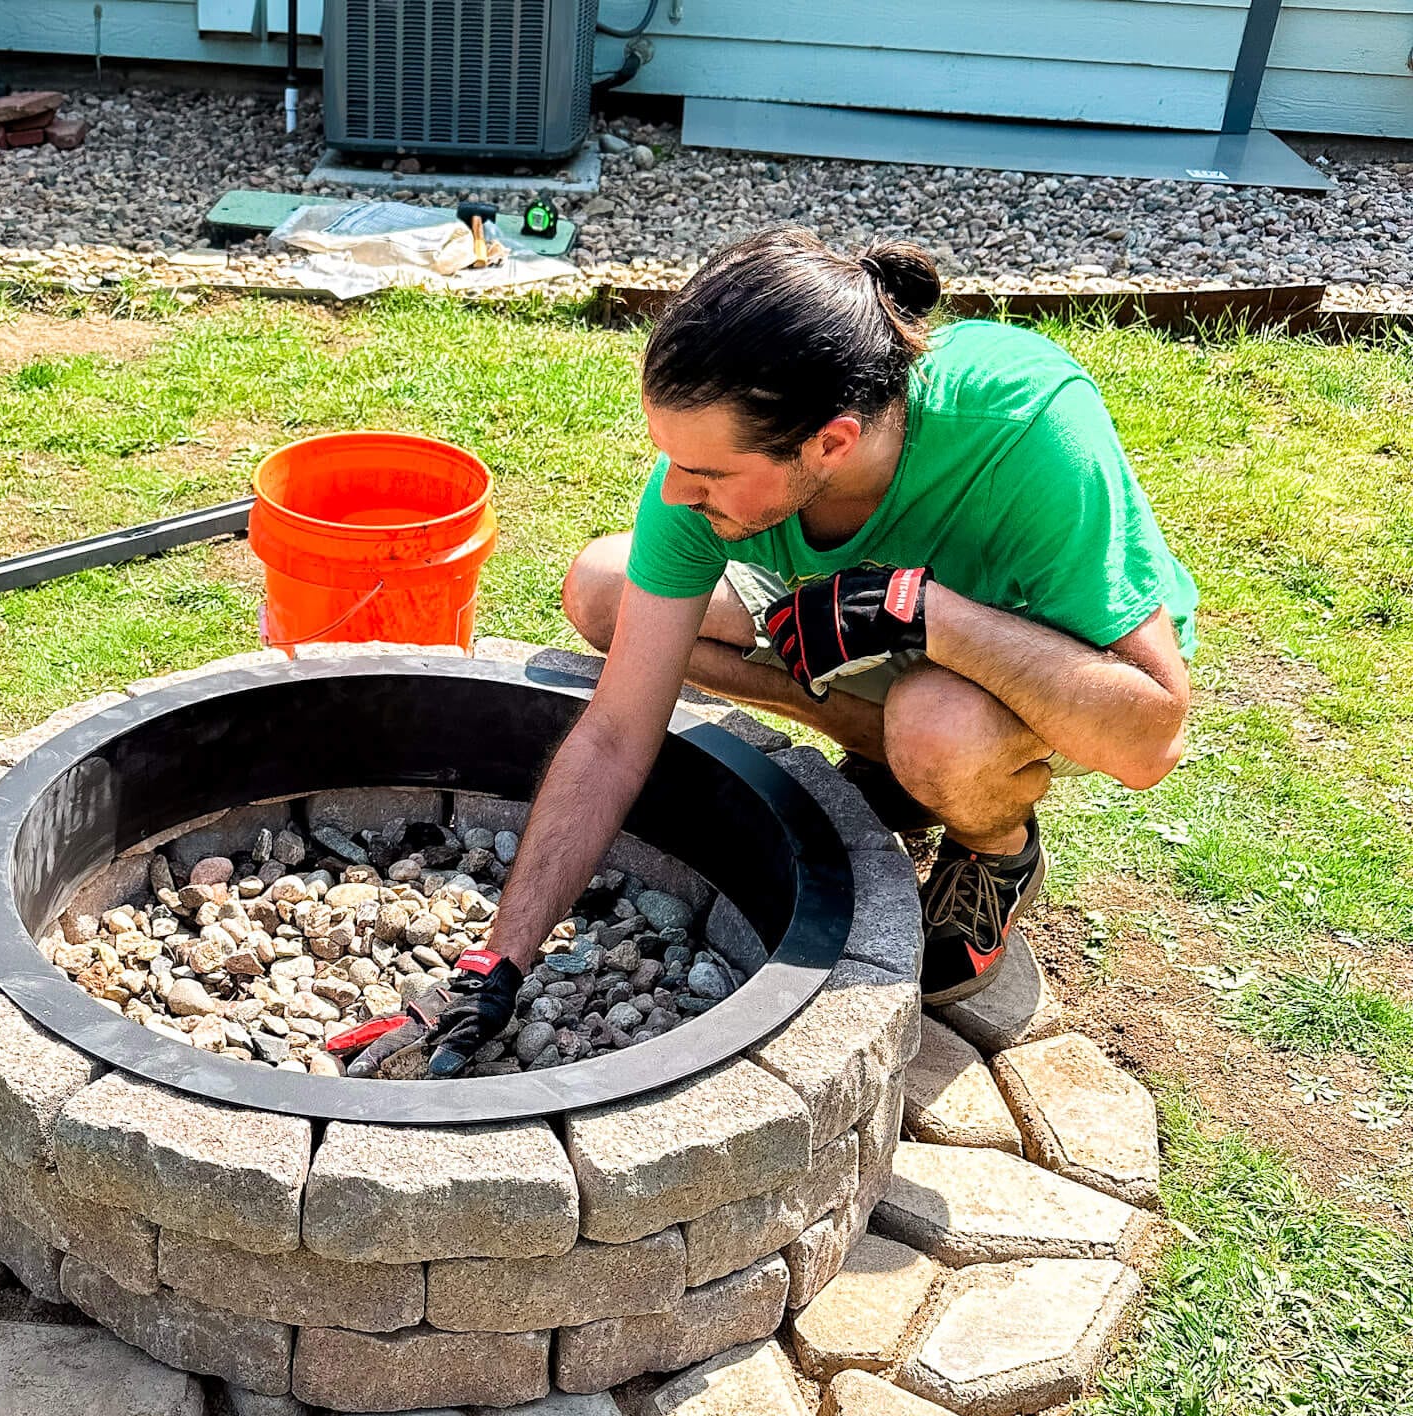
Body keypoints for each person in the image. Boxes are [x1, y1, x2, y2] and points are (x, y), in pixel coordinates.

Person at [423, 226, 1196, 1075]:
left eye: (709, 474)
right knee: (606, 586)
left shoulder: (1030, 426)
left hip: (1040, 665)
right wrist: (501, 955)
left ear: (830, 441)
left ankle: (994, 846)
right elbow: (615, 731)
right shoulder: (703, 479)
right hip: (852, 626)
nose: (677, 494)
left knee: (938, 728)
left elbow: (1151, 740)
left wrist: (923, 614)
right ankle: (880, 745)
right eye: (671, 460)